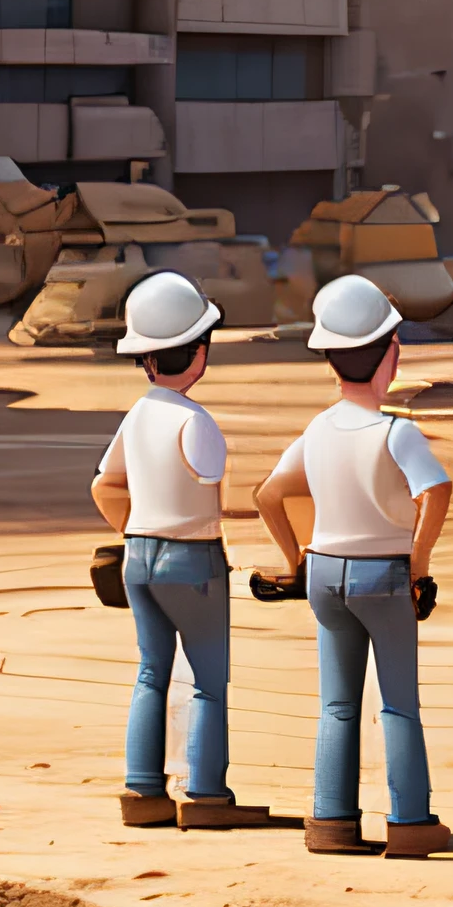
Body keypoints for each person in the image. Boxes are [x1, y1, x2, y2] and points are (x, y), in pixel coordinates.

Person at [255, 272, 453, 857]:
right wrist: (419, 566)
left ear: (331, 361)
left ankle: (331, 822)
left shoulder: (317, 429)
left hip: (324, 575)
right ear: (390, 354)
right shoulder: (398, 432)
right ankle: (410, 822)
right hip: (383, 576)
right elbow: (436, 493)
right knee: (398, 703)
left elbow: (267, 495)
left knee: (337, 705)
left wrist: (296, 562)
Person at [90, 267, 263, 828]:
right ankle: (206, 794)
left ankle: (143, 791)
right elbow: (212, 489)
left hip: (140, 555)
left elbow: (103, 485)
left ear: (146, 358)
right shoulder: (198, 422)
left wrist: (132, 530)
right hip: (194, 558)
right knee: (208, 680)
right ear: (199, 352)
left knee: (151, 672)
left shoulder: (137, 415)